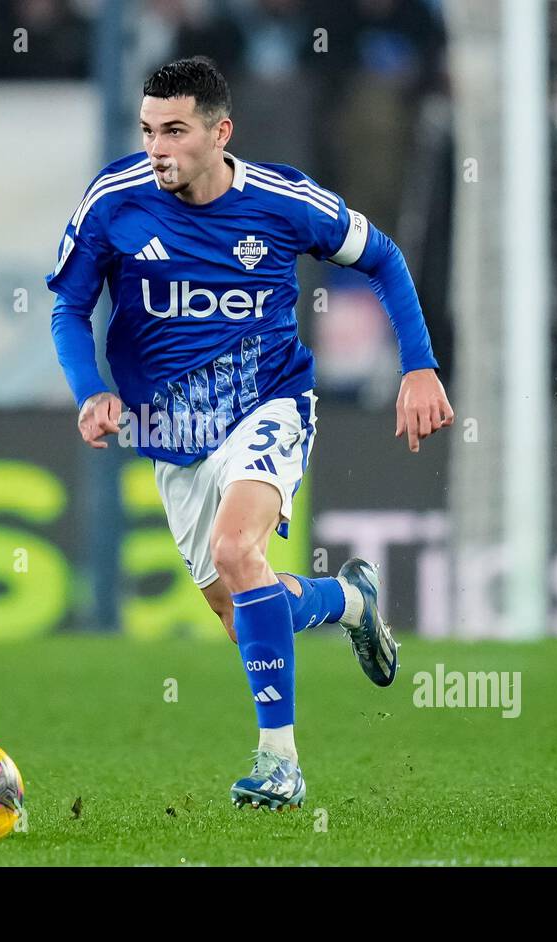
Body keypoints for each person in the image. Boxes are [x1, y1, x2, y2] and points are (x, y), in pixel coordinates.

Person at [45, 56, 453, 809]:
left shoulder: (282, 202)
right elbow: (68, 309)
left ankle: (280, 764)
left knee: (240, 551)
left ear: (219, 131)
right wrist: (92, 391)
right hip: (172, 434)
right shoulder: (114, 201)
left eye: (173, 131)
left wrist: (419, 366)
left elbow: (385, 258)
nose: (156, 148)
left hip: (270, 403)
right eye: (146, 131)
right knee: (244, 617)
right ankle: (349, 603)